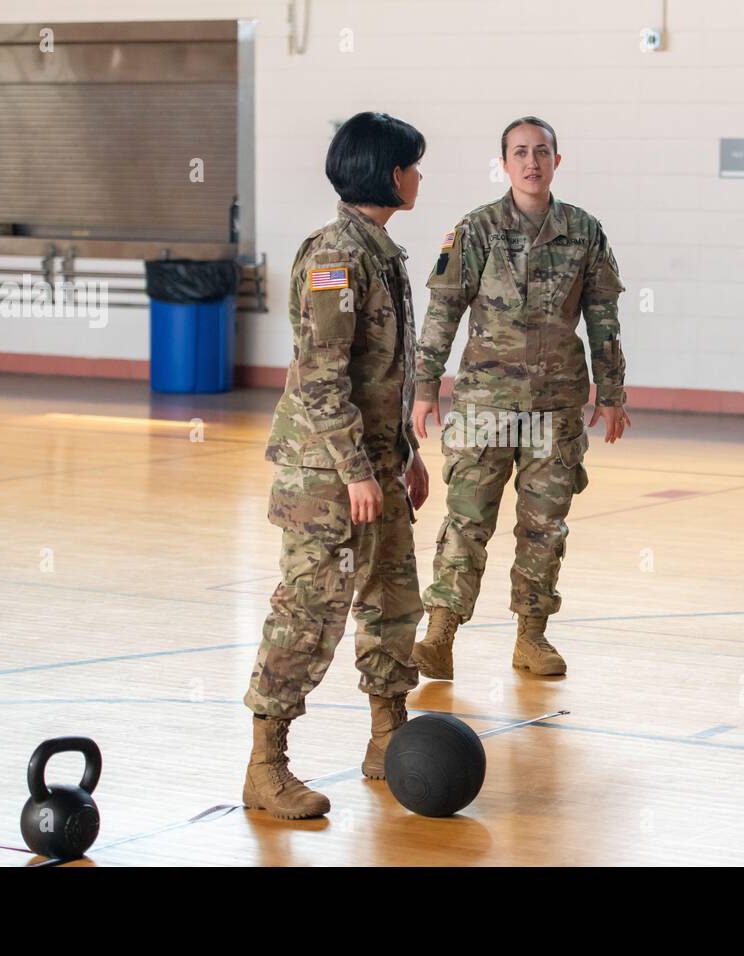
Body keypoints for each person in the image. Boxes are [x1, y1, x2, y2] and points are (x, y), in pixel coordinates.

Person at [242, 112, 429, 819]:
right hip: (325, 476)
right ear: (387, 172)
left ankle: (388, 737)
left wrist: (401, 459)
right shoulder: (334, 257)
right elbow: (322, 377)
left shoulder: (381, 251)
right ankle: (265, 767)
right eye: (411, 164)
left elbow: (382, 375)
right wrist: (355, 469)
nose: (418, 177)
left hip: (374, 465)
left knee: (392, 599)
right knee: (310, 613)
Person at [410, 116, 630, 680]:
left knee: (544, 527)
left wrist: (612, 392)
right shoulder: (476, 230)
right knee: (466, 521)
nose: (531, 162)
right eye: (519, 153)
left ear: (558, 159)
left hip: (554, 411)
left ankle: (531, 637)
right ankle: (439, 635)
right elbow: (443, 312)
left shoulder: (584, 231)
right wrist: (424, 387)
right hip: (485, 406)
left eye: (541, 151)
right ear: (504, 163)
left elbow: (604, 318)